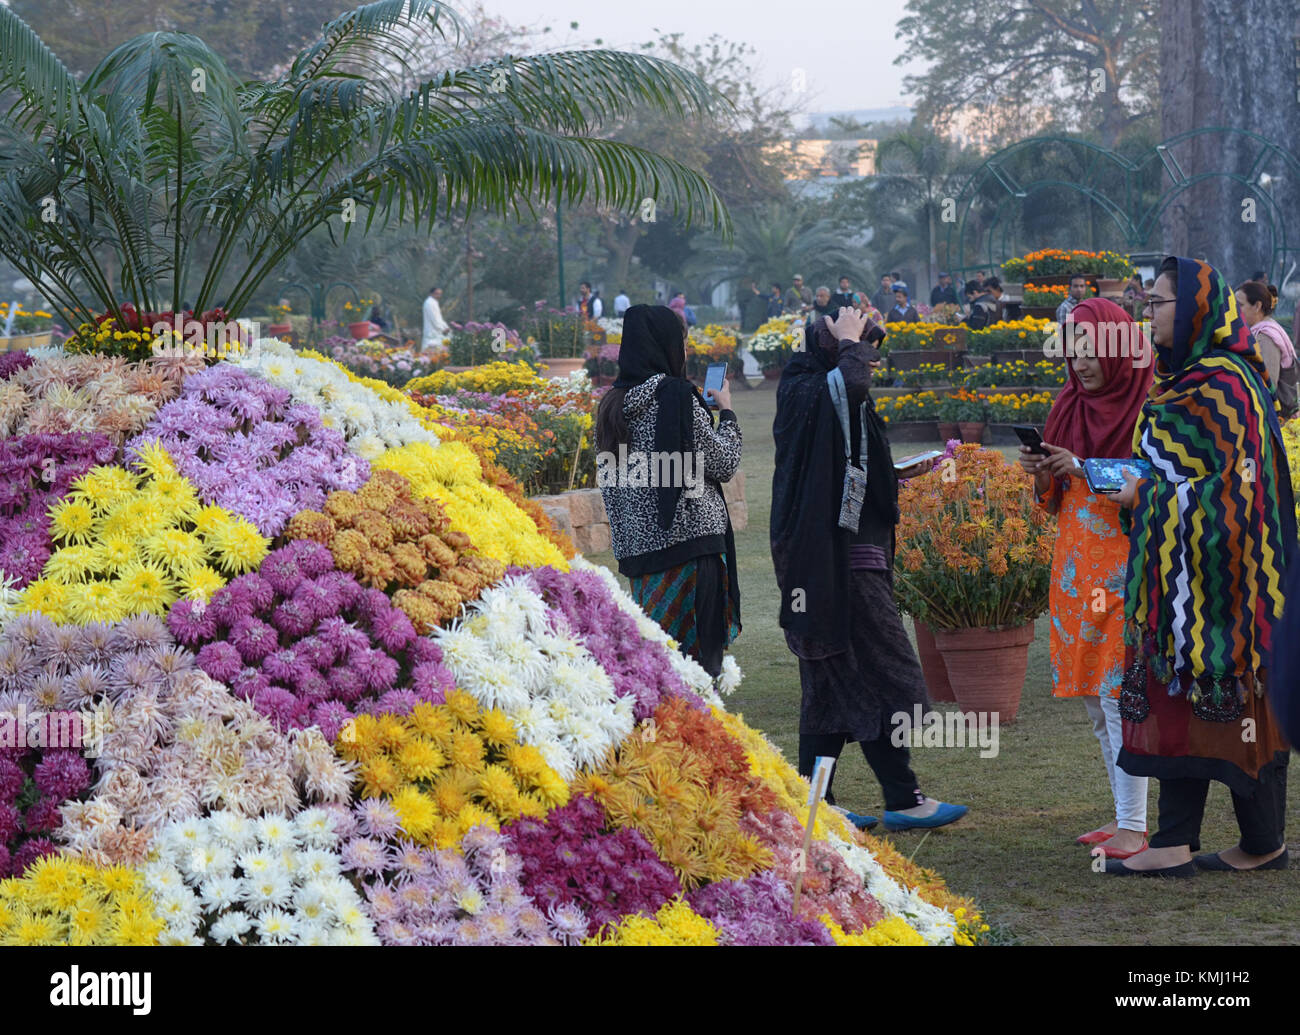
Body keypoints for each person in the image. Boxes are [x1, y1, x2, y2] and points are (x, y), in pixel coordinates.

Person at [1104, 256, 1295, 877]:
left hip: (1223, 585)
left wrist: (1145, 500)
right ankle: (1252, 841)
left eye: (1158, 301)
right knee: (1220, 702)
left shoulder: (1221, 384)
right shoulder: (1203, 377)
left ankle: (1183, 841)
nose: (1148, 311)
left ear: (1191, 311)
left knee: (1212, 697)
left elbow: (1240, 493)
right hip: (1205, 581)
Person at [771, 306, 969, 833]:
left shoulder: (824, 387)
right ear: (831, 350)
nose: (868, 360)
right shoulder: (805, 390)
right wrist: (851, 343)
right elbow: (851, 383)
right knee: (890, 676)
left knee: (833, 694)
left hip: (846, 561)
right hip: (833, 568)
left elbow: (851, 425)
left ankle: (839, 803)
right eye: (856, 347)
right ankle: (897, 798)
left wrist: (895, 475)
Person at [1020, 298, 1152, 859]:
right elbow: (1053, 502)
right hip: (1075, 573)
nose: (1083, 364)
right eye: (1074, 353)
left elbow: (1156, 480)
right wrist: (1042, 473)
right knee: (1096, 704)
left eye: (1092, 351)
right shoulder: (1068, 405)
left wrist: (1085, 467)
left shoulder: (1151, 405)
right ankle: (1123, 817)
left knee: (1119, 695)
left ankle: (1134, 825)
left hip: (1129, 571)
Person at [595, 304, 742, 678]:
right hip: (692, 553)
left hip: (643, 563)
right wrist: (726, 413)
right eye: (684, 344)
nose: (686, 352)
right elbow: (723, 463)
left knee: (660, 672)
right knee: (699, 673)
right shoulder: (675, 396)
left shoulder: (611, 406)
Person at [1236, 280, 1298, 419]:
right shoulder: (1263, 329)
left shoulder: (1265, 337)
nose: (1235, 309)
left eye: (1240, 305)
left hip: (1272, 418)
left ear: (1257, 306)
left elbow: (1267, 386)